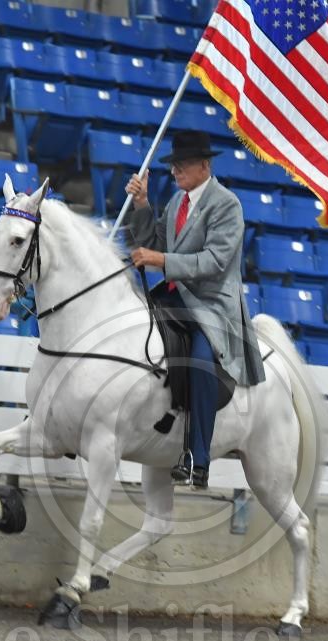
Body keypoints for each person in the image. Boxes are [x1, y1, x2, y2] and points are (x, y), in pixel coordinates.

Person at [125, 130, 266, 489]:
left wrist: (160, 259)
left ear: (205, 165)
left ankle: (196, 458)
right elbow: (154, 241)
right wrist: (142, 205)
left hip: (211, 304)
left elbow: (215, 261)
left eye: (182, 165)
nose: (175, 172)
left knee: (202, 362)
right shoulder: (176, 204)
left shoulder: (227, 204)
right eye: (173, 166)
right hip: (174, 296)